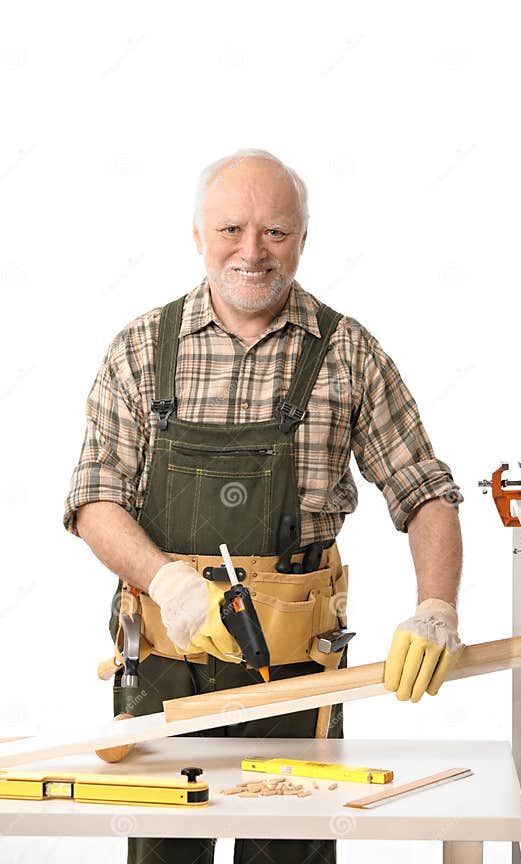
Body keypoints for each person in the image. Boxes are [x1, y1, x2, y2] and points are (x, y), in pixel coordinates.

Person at [63, 148, 465, 864]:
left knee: (290, 854)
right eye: (231, 230)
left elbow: (425, 491)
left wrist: (436, 608)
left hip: (297, 677)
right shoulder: (138, 350)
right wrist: (170, 582)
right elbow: (94, 499)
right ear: (197, 235)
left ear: (303, 238)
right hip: (162, 669)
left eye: (276, 232)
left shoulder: (349, 354)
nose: (252, 252)